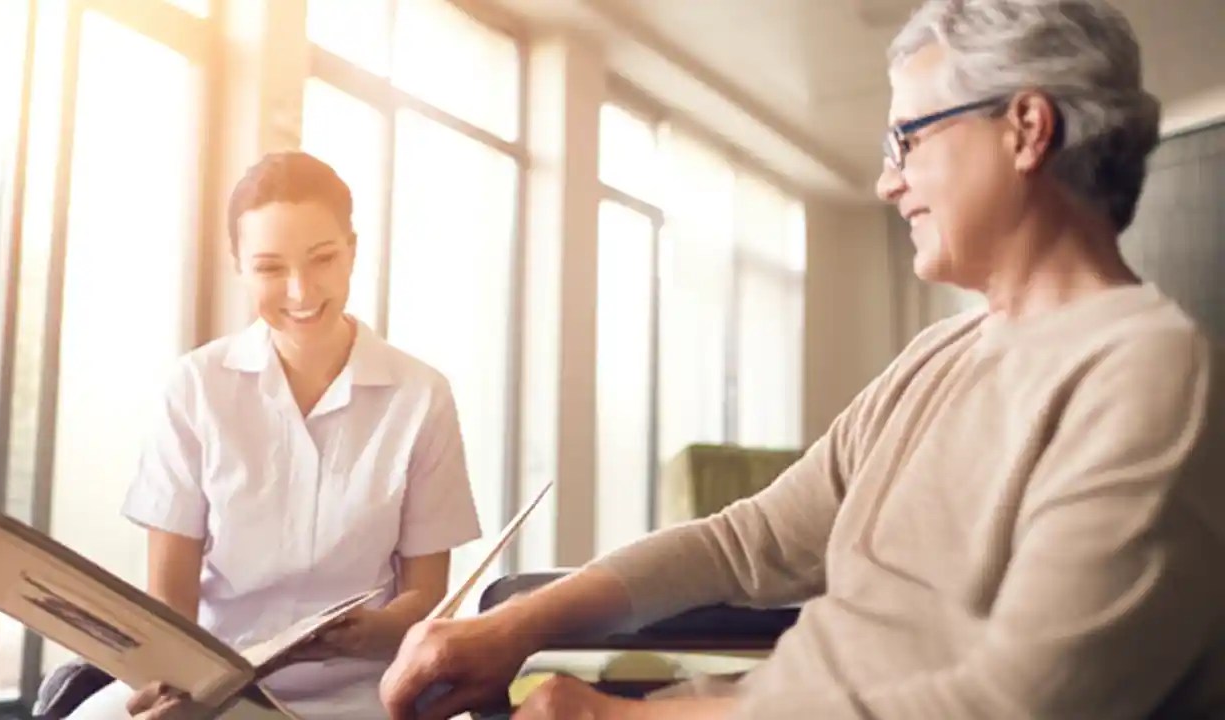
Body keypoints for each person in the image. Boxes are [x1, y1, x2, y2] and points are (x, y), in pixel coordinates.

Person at [376, 1, 1225, 718]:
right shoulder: (940, 355)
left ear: (1025, 130)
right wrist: (519, 623)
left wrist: (625, 718)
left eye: (909, 141)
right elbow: (749, 544)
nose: (889, 183)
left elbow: (1012, 703)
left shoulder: (1147, 372)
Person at [70, 151, 482, 720]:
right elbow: (171, 599)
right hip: (212, 682)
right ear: (238, 265)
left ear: (352, 253)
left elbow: (427, 592)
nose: (299, 290)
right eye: (269, 268)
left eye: (322, 259)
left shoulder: (421, 395)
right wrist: (176, 688)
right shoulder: (197, 386)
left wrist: (377, 631)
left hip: (366, 691)